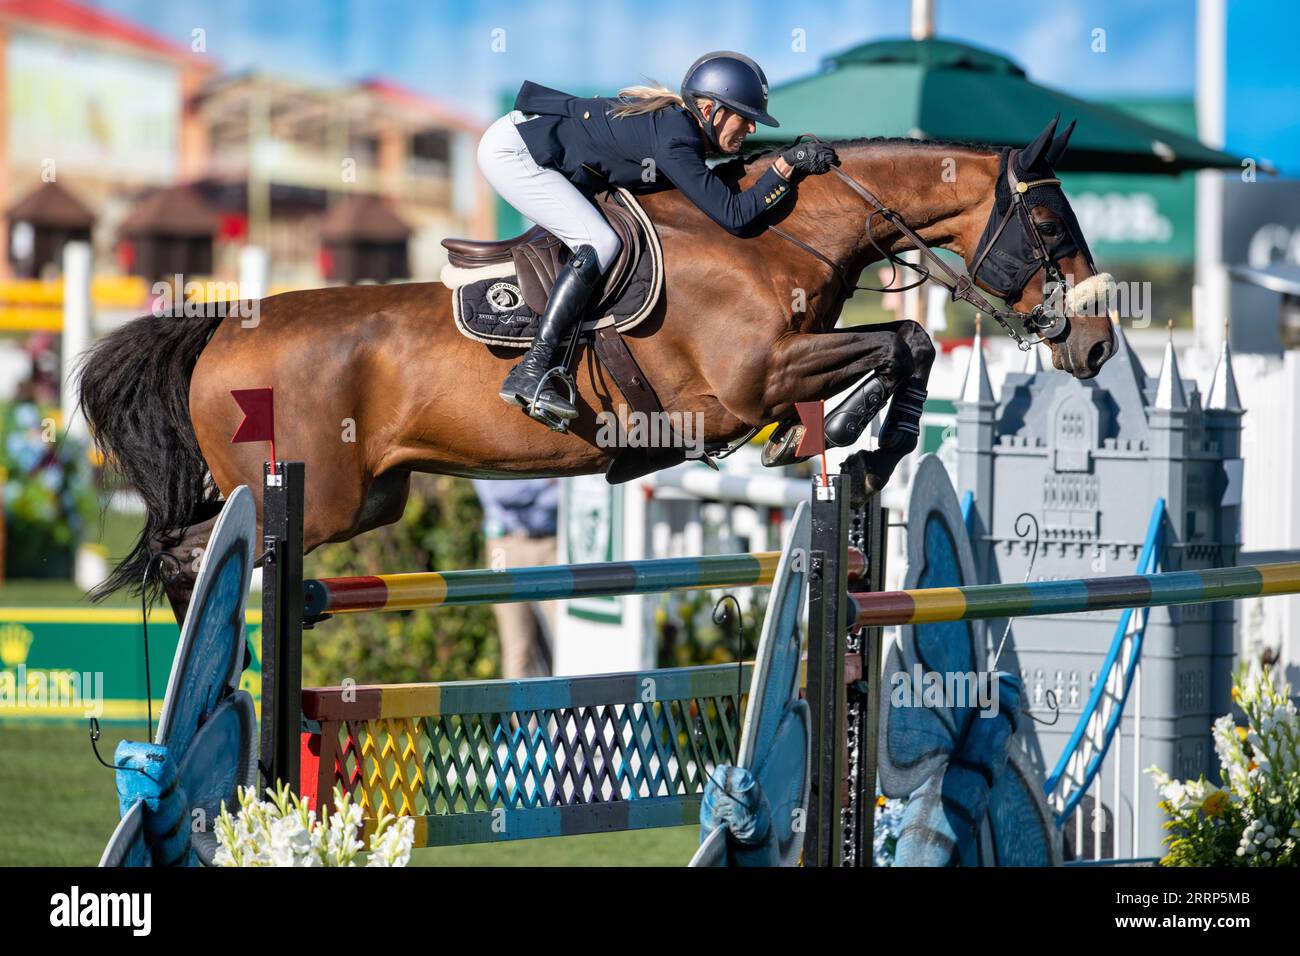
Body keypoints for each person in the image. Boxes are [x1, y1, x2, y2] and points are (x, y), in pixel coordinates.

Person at [476, 50, 839, 426]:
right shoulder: (676, 139)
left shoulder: (679, 132)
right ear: (711, 110)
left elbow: (714, 189)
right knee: (599, 241)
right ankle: (533, 370)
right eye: (745, 118)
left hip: (531, 139)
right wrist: (784, 167)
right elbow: (736, 217)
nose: (751, 129)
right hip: (514, 151)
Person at [471, 478, 559, 679]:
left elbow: (562, 496)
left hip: (549, 543)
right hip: (503, 549)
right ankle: (517, 711)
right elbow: (501, 492)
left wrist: (538, 491)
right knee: (517, 645)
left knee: (566, 635)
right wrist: (546, 483)